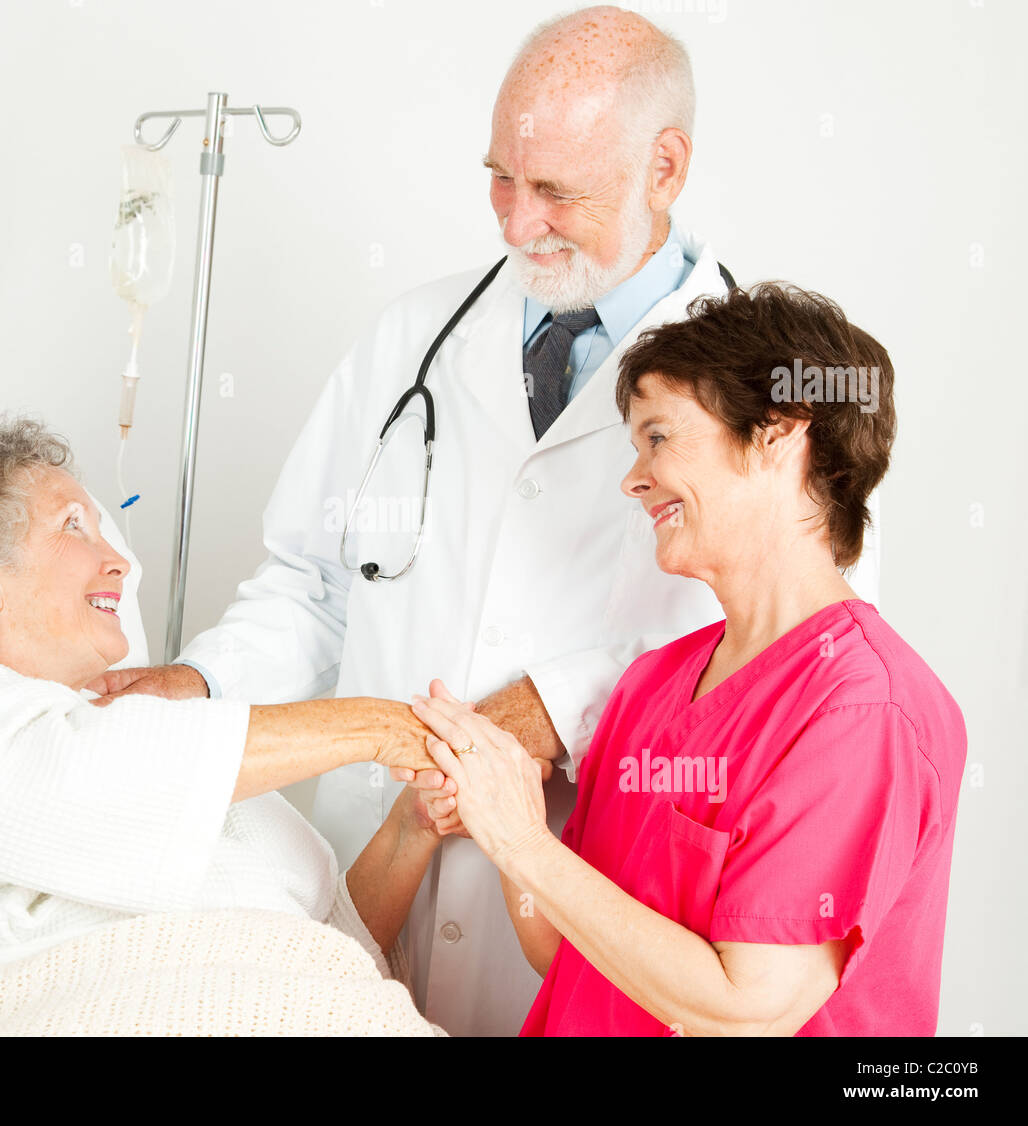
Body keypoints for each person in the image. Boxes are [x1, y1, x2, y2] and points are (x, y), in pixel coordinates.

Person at [91, 7, 879, 1035]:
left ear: (665, 168)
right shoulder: (411, 338)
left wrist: (549, 708)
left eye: (555, 190)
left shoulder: (775, 394)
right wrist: (199, 687)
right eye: (500, 178)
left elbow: (805, 638)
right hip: (371, 875)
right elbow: (309, 584)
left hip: (587, 905)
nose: (514, 224)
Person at [410, 284, 966, 1035]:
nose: (633, 480)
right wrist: (504, 798)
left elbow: (748, 1010)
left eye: (659, 439)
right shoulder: (651, 687)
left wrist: (521, 838)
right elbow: (564, 951)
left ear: (776, 432)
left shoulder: (863, 710)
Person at [0, 420, 443, 1037]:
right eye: (74, 527)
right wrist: (378, 727)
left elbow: (331, 941)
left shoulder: (172, 745)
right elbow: (73, 781)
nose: (118, 561)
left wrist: (412, 827)